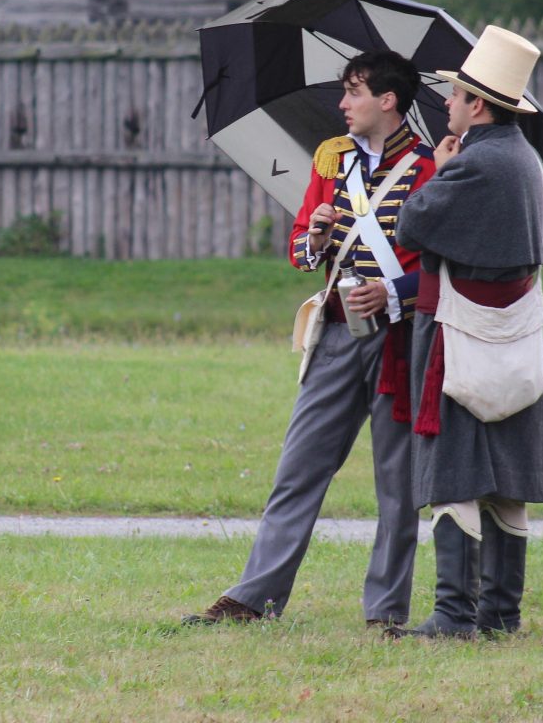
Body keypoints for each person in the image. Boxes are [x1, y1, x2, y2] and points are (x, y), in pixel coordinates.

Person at [183, 51, 435, 628]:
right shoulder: (331, 160)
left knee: (398, 486)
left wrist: (393, 292)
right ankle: (255, 598)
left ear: (388, 100)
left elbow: (445, 265)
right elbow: (299, 251)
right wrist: (316, 238)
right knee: (298, 470)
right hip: (339, 334)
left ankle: (385, 612)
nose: (343, 103)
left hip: (401, 343)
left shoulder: (429, 168)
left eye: (354, 92)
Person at [392, 25, 543, 639]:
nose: (448, 103)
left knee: (454, 470)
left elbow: (412, 225)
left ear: (479, 106)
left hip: (459, 333)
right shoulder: (523, 158)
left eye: (457, 95)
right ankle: (499, 614)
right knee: (506, 476)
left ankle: (454, 614)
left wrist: (440, 171)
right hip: (513, 335)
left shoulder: (477, 164)